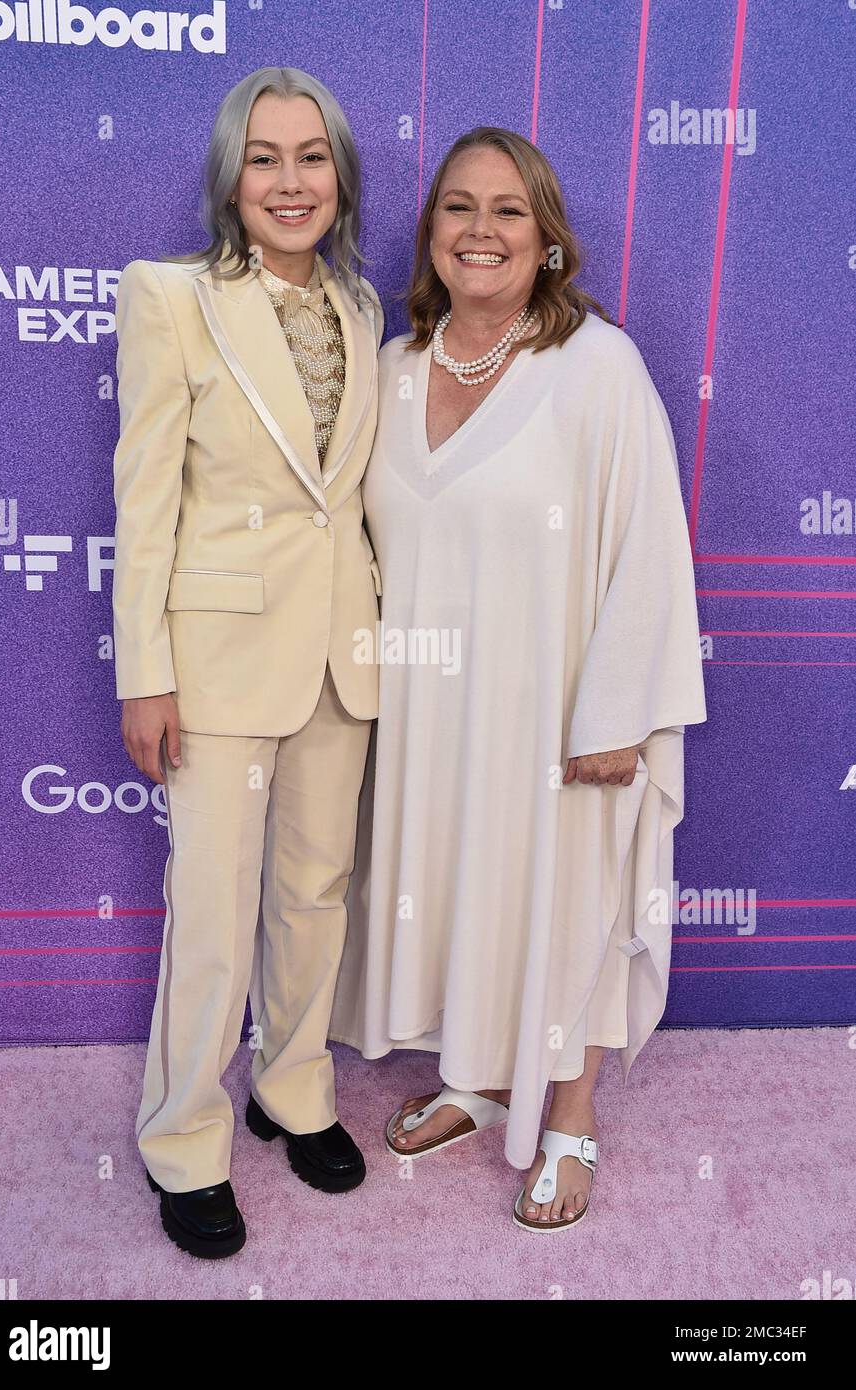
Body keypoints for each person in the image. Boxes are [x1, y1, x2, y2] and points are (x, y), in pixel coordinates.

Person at [330, 126, 707, 1232]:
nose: (480, 230)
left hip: (558, 713)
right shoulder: (394, 369)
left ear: (546, 239)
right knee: (458, 888)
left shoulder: (597, 366)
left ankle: (572, 1113)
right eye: (458, 206)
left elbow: (648, 550)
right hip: (428, 712)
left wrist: (618, 714)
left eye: (507, 210)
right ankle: (484, 1077)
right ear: (431, 230)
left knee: (569, 892)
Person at [112, 67, 384, 1258]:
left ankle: (294, 1090)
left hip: (341, 654)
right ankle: (184, 1141)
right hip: (216, 658)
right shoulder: (171, 296)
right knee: (214, 915)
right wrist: (143, 672)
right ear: (231, 175)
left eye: (311, 156)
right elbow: (144, 499)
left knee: (313, 895)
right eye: (264, 157)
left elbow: (353, 503)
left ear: (340, 176)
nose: (289, 180)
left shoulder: (369, 310)